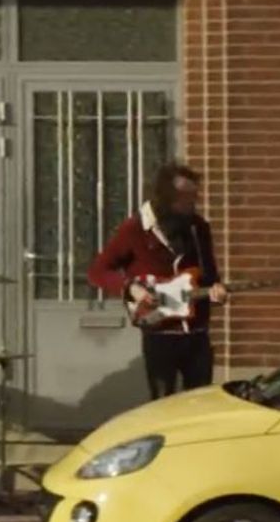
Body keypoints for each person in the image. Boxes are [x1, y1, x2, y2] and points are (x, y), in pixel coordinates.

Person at [88, 163, 229, 400]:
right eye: (186, 196)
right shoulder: (134, 230)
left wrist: (217, 292)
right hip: (160, 333)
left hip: (197, 333)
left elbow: (210, 276)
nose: (193, 202)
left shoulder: (199, 228)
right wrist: (130, 288)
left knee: (201, 402)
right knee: (163, 402)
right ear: (166, 198)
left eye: (195, 195)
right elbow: (98, 271)